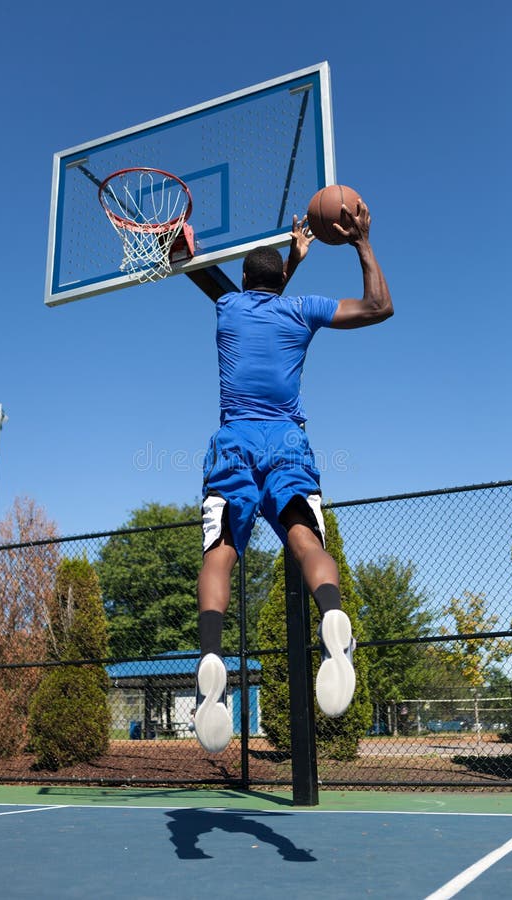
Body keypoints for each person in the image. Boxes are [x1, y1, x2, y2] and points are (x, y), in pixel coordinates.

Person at [193, 201, 393, 753]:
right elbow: (380, 306)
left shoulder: (227, 308)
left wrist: (182, 240)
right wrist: (360, 242)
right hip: (285, 444)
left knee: (221, 553)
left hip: (232, 446)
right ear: (280, 280)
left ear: (242, 279)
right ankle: (333, 619)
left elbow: (199, 268)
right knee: (306, 542)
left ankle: (211, 653)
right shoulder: (300, 310)